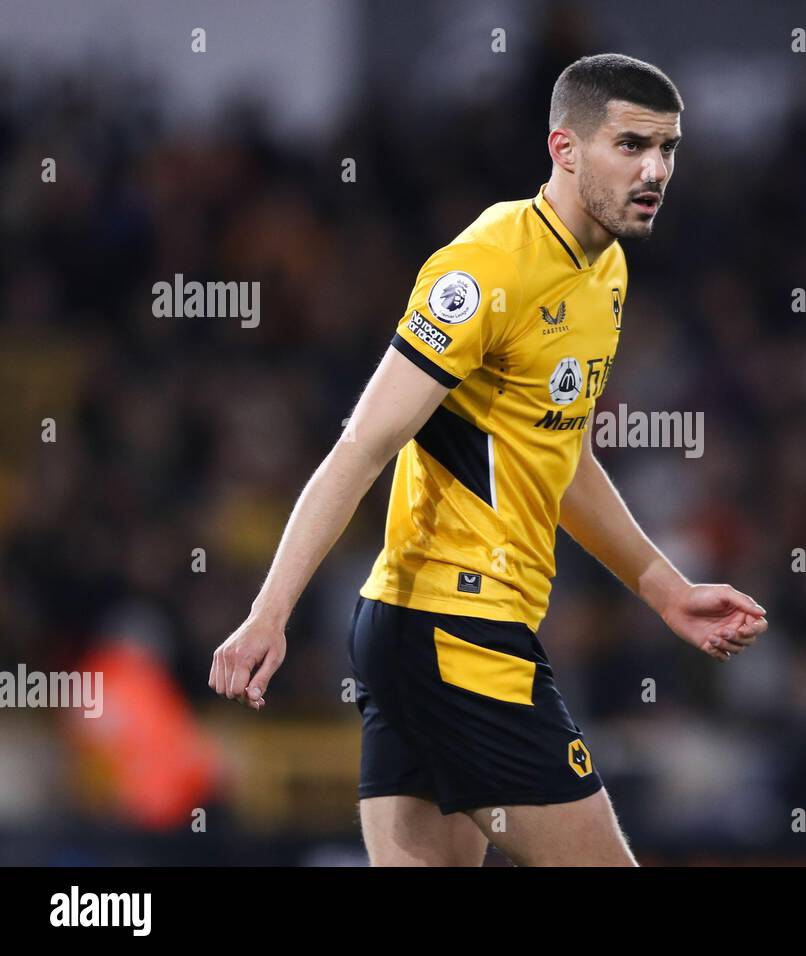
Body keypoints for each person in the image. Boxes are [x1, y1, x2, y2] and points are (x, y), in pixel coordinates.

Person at [209, 53, 767, 866]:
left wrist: (663, 587)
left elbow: (555, 445)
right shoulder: (488, 266)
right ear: (564, 149)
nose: (655, 170)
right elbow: (365, 441)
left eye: (669, 148)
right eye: (632, 144)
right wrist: (271, 611)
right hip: (454, 629)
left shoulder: (605, 269)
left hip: (431, 633)